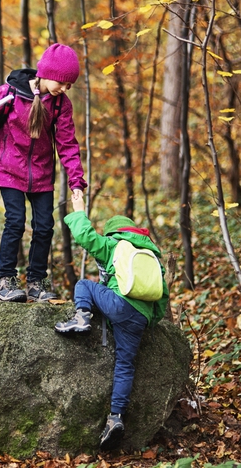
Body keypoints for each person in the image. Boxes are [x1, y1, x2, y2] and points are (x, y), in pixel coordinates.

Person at [53, 191, 169, 450]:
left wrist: (78, 210)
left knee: (84, 284)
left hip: (118, 304)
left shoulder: (115, 245)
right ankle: (115, 417)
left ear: (114, 232)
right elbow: (162, 296)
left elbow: (85, 236)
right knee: (125, 365)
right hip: (140, 317)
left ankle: (81, 317)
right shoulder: (153, 256)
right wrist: (150, 320)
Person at [0, 43, 87, 302]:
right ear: (47, 73)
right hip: (10, 169)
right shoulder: (10, 92)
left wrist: (76, 182)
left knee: (45, 226)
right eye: (63, 82)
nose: (65, 88)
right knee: (15, 221)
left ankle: (36, 280)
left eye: (69, 85)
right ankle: (6, 280)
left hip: (42, 173)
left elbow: (67, 144)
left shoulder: (60, 105)